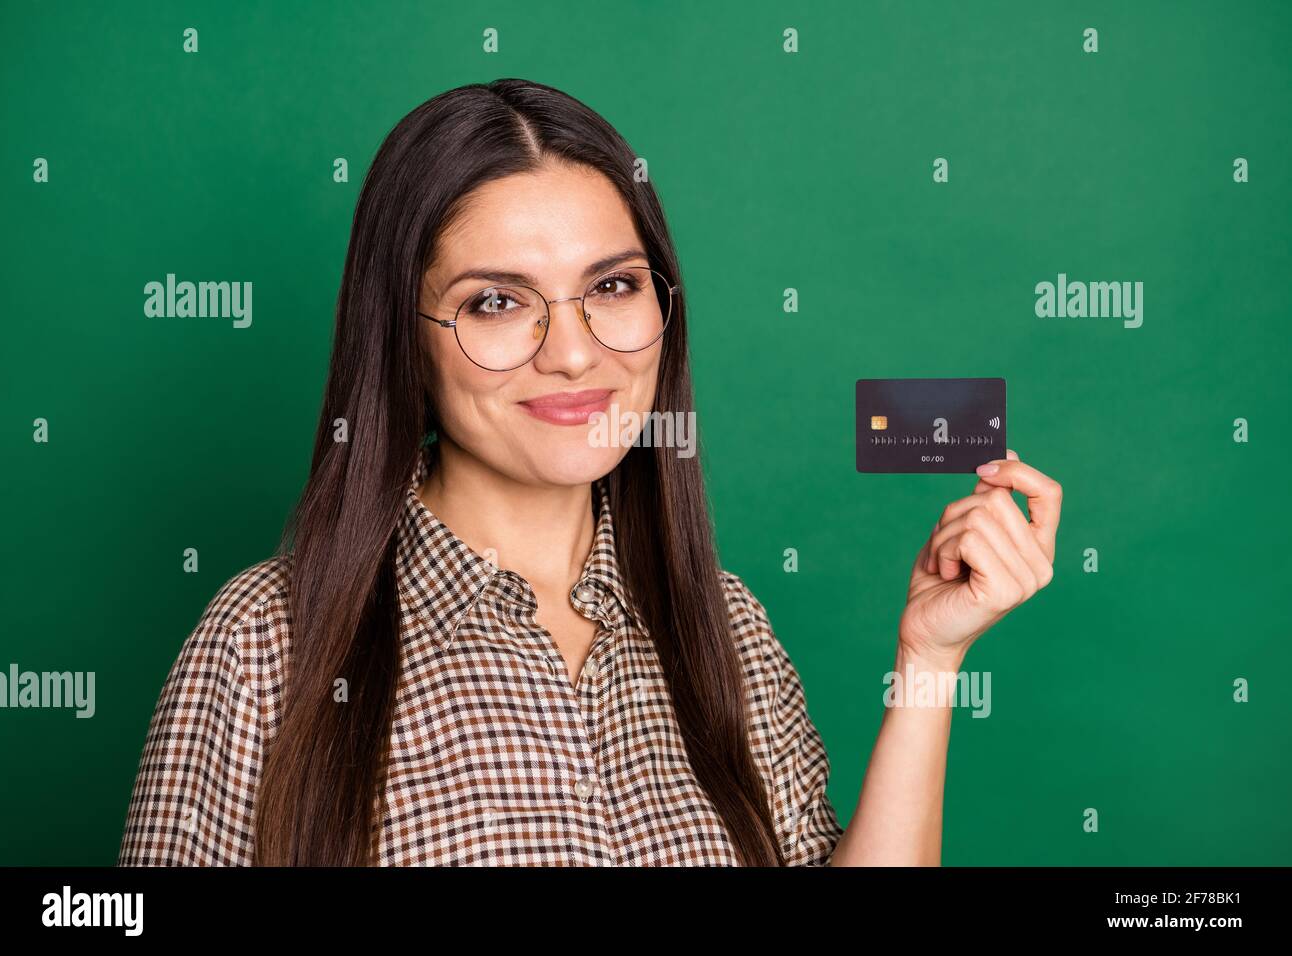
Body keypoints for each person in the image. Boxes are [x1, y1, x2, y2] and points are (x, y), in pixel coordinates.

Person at [118, 77, 1061, 867]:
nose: (573, 354)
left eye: (612, 287)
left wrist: (931, 660)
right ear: (402, 342)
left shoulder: (727, 630)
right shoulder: (264, 649)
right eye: (495, 302)